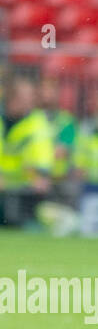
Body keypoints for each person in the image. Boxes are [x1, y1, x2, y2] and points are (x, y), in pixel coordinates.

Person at [0, 76, 55, 226]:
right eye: (26, 97)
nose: (31, 101)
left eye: (31, 97)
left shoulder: (37, 122)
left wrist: (41, 175)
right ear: (12, 98)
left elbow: (42, 154)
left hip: (22, 187)